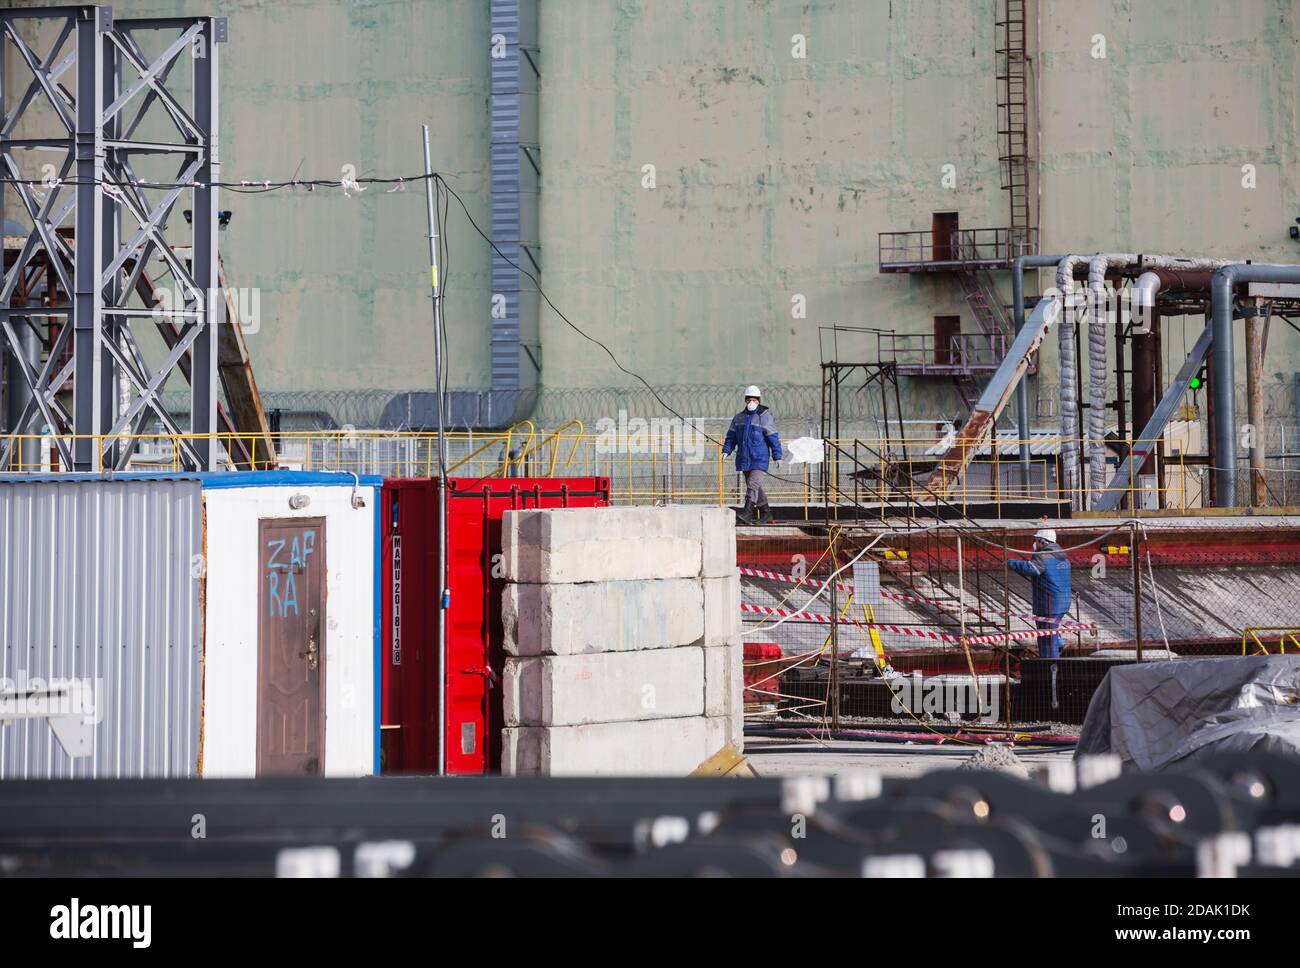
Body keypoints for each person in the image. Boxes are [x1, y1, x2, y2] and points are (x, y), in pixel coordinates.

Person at [1008, 528, 1072, 658]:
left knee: (1046, 638)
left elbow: (1031, 568)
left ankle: (1050, 665)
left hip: (1049, 603)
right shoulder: (1062, 555)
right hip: (1062, 602)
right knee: (1052, 631)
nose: (1034, 543)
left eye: (1037, 540)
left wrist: (1011, 563)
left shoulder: (1043, 556)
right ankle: (1058, 643)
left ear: (1043, 541)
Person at [722, 385, 783, 524]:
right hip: (744, 459)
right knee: (755, 487)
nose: (751, 402)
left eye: (754, 399)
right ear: (745, 400)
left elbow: (773, 437)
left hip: (759, 458)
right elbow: (731, 437)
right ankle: (767, 514)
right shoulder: (739, 418)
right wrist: (726, 450)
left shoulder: (765, 417)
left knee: (752, 484)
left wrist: (777, 455)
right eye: (749, 399)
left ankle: (747, 513)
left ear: (759, 400)